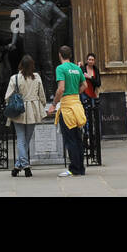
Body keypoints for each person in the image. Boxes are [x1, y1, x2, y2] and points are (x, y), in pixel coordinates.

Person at [46, 44, 86, 177]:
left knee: (70, 139)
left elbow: (61, 89)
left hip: (67, 107)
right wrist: (75, 93)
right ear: (70, 55)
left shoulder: (60, 68)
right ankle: (81, 168)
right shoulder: (76, 68)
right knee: (77, 138)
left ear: (60, 55)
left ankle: (74, 169)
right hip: (77, 105)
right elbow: (84, 85)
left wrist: (53, 104)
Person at [4, 54, 46, 178]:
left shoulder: (15, 78)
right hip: (33, 110)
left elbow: (7, 96)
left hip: (19, 111)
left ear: (21, 65)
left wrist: (12, 103)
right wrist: (42, 105)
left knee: (22, 140)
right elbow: (42, 95)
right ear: (32, 65)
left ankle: (20, 166)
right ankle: (24, 166)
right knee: (26, 140)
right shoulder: (37, 77)